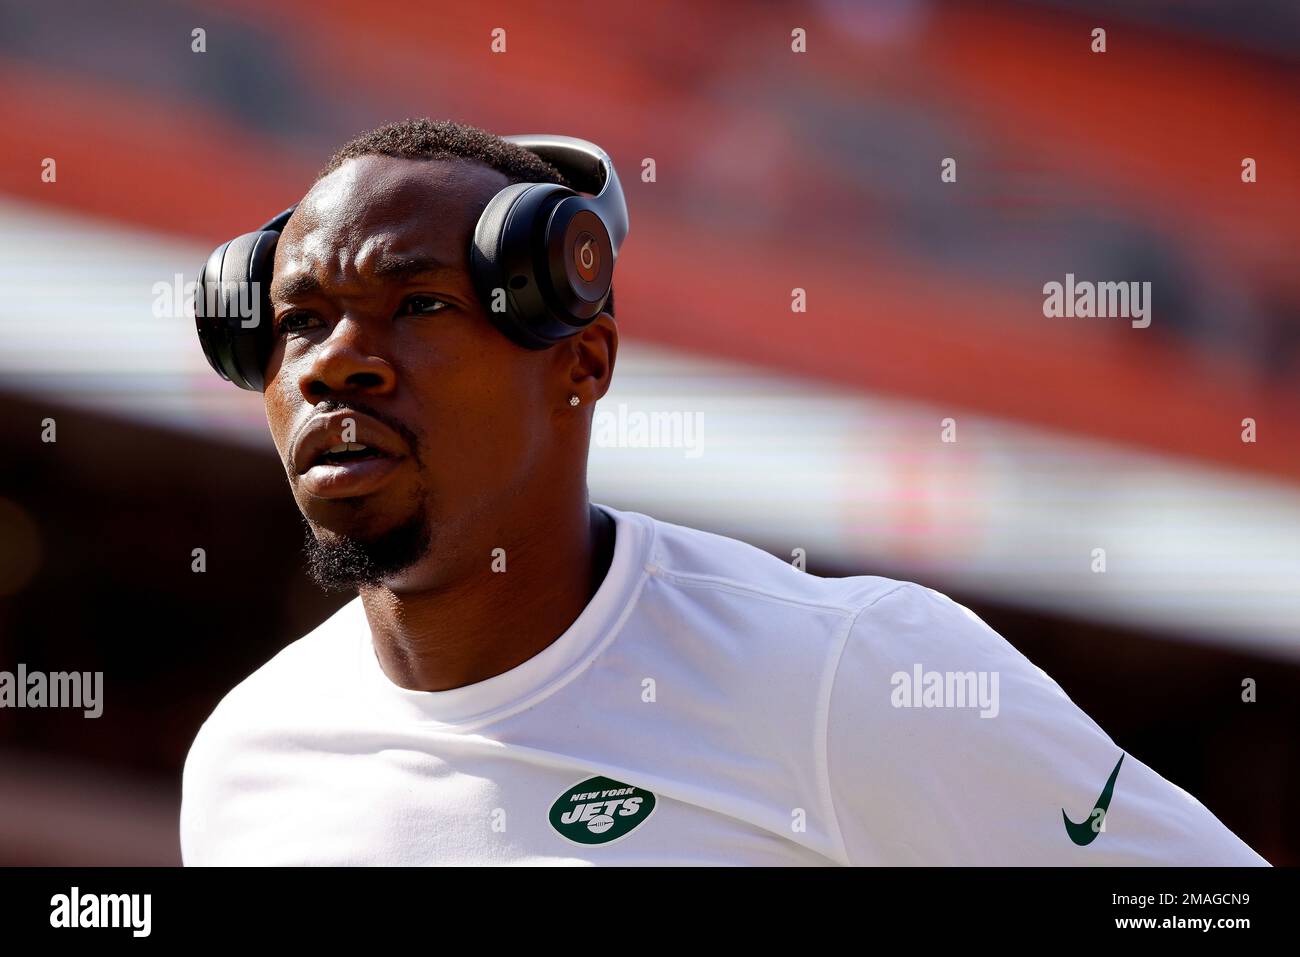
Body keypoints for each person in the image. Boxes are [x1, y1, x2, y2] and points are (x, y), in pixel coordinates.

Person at [180, 119, 1267, 865]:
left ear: (581, 363)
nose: (334, 361)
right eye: (298, 321)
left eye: (416, 307)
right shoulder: (250, 759)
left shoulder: (851, 670)